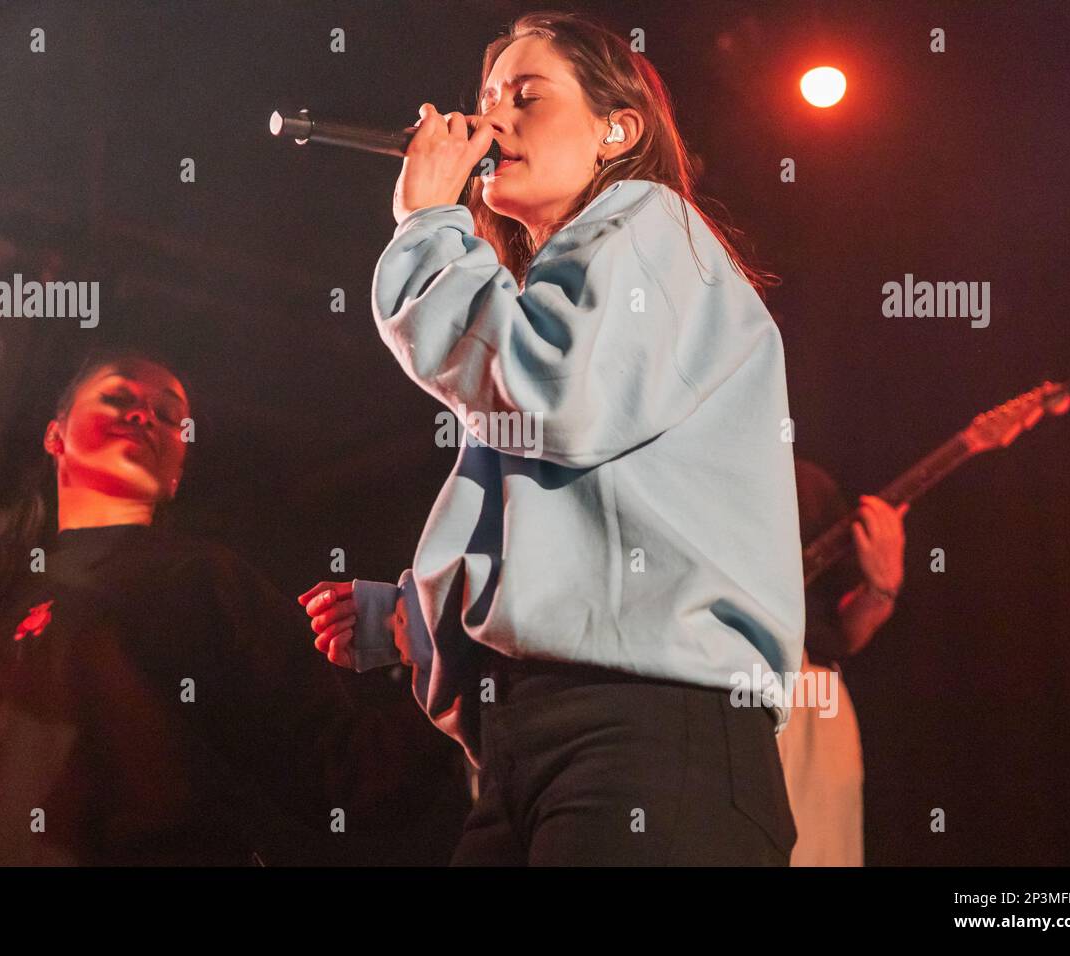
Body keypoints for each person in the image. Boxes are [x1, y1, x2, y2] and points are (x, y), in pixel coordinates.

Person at [299, 11, 804, 865]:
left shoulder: (652, 227)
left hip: (649, 732)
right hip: (533, 747)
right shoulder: (551, 298)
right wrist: (407, 626)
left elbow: (552, 401)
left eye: (525, 96)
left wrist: (427, 228)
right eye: (487, 97)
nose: (491, 121)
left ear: (618, 129)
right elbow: (575, 525)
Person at [0, 347, 450, 866]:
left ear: (176, 470)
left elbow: (338, 771)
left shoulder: (205, 580)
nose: (144, 416)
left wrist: (453, 665)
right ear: (55, 436)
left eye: (168, 415)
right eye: (120, 398)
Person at [779, 459, 907, 866]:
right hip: (711, 691)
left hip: (811, 691)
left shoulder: (804, 484)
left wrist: (882, 586)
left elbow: (849, 632)